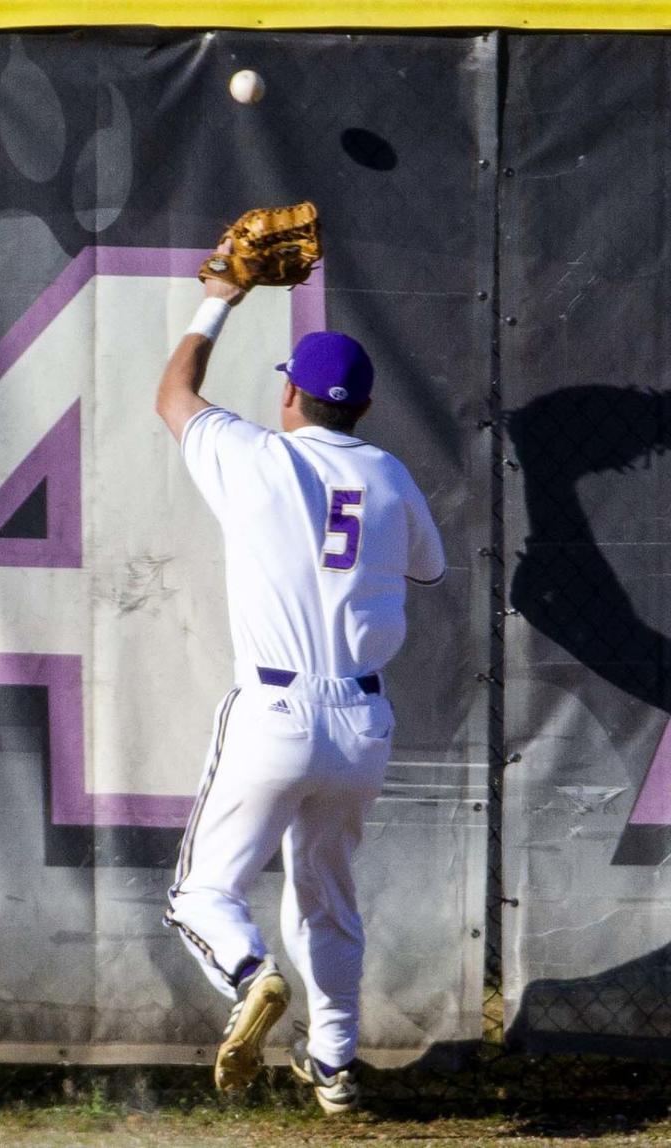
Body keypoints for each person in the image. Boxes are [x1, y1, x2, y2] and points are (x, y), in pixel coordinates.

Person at [155, 240, 445, 1114]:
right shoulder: (391, 477)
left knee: (202, 893)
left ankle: (250, 978)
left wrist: (219, 297)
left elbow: (173, 396)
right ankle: (335, 1068)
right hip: (361, 725)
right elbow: (427, 572)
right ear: (361, 407)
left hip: (274, 712)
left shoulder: (257, 457)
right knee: (328, 898)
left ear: (291, 394)